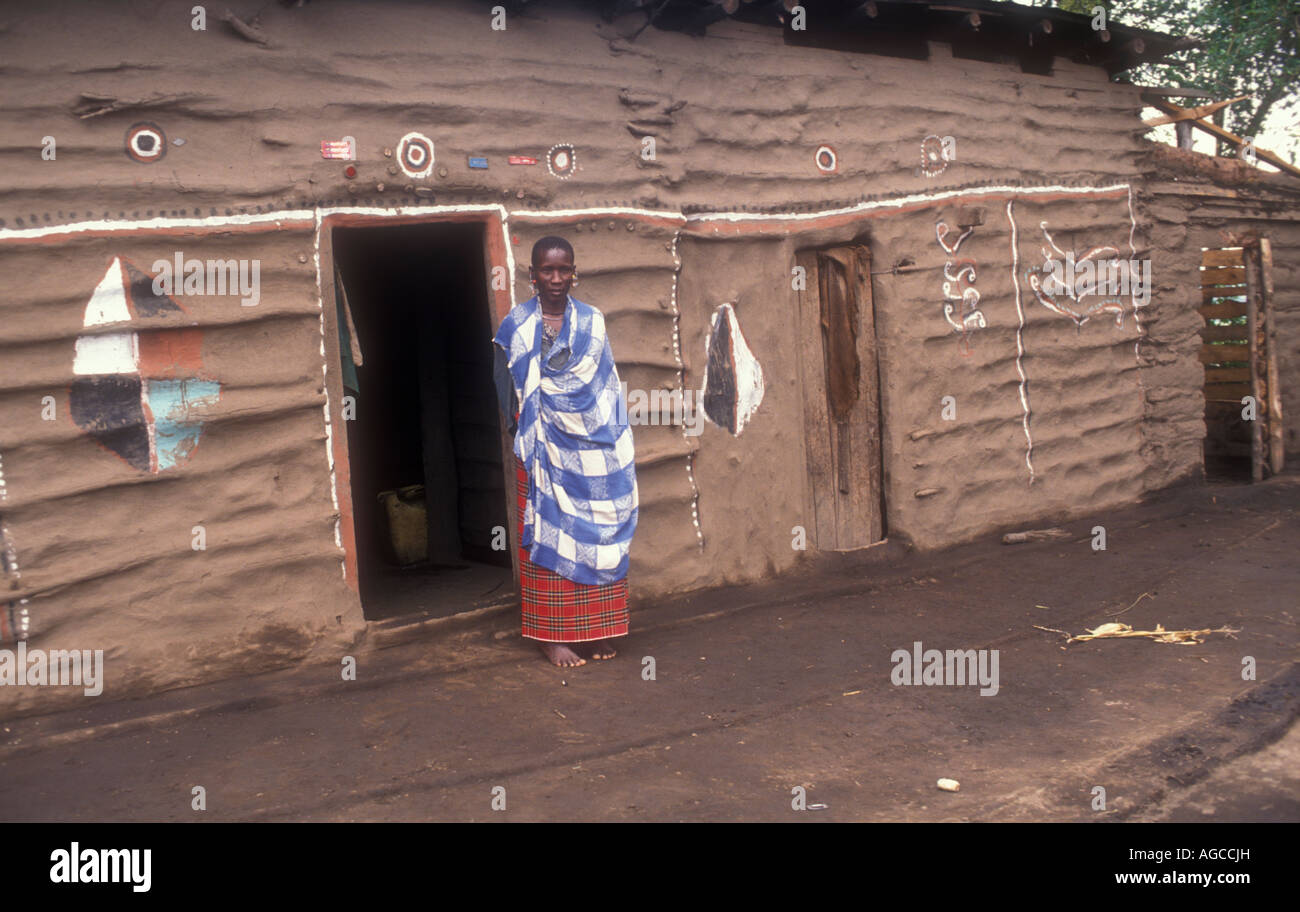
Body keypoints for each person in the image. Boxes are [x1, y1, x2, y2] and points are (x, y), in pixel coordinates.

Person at [492, 236, 638, 668]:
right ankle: (552, 638)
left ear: (575, 272)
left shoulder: (593, 322)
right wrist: (530, 431)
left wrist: (608, 438)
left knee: (599, 537)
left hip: (593, 451)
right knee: (548, 542)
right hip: (542, 454)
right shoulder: (516, 326)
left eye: (564, 269)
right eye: (547, 270)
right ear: (531, 274)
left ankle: (594, 632)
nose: (556, 279)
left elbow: (606, 384)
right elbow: (505, 389)